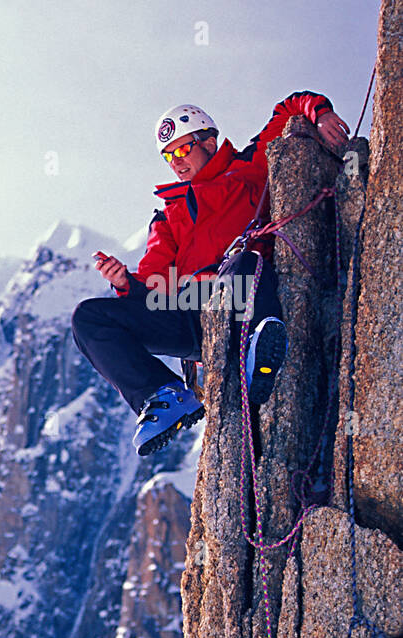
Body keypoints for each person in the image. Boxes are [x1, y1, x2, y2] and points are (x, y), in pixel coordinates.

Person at [71, 94, 351, 456]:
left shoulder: (249, 165)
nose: (176, 162)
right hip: (191, 309)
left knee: (245, 262)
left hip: (241, 289)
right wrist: (126, 283)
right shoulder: (169, 215)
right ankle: (162, 394)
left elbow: (289, 107)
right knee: (88, 318)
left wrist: (321, 113)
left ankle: (256, 354)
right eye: (168, 156)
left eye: (182, 149)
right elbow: (156, 281)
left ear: (208, 141)